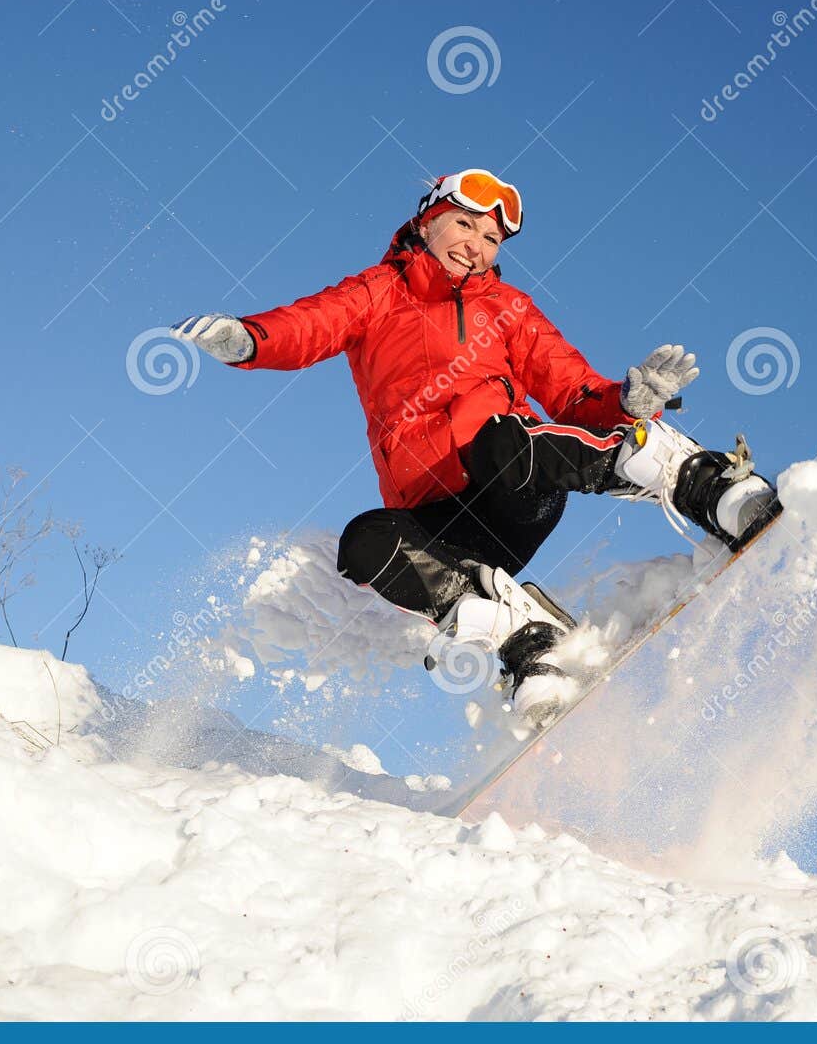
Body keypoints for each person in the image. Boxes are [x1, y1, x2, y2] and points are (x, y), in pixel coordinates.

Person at [169, 169, 779, 722]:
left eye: (491, 239)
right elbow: (313, 323)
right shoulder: (380, 292)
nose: (476, 246)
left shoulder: (508, 309)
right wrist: (250, 339)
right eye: (464, 225)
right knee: (364, 542)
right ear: (427, 222)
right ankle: (528, 639)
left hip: (515, 484)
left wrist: (626, 402)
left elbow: (571, 391)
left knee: (498, 438)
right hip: (440, 514)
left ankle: (699, 483)